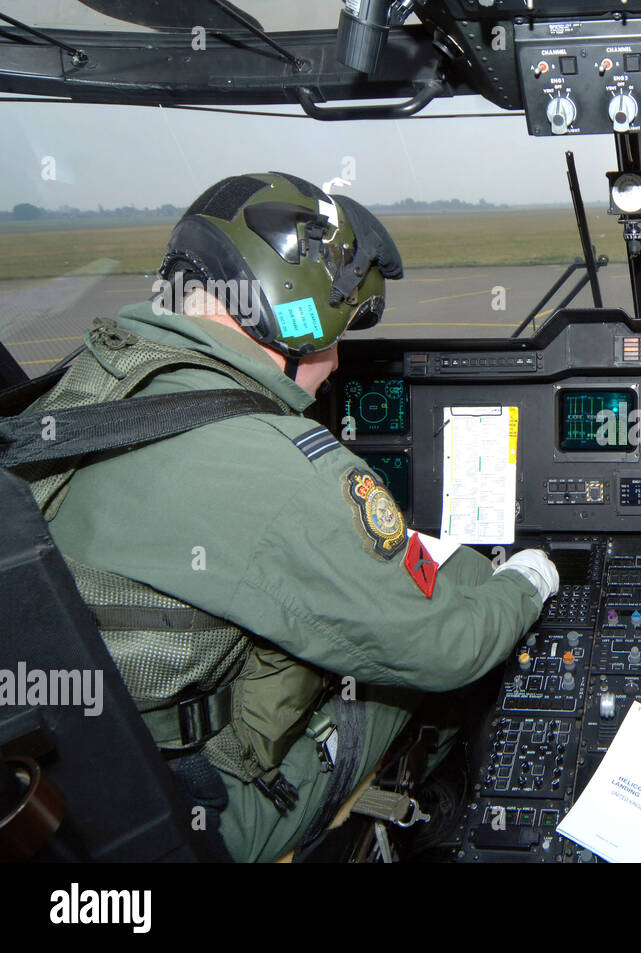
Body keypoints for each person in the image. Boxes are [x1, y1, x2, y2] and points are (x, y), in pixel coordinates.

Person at [26, 171, 557, 861]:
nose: (335, 365)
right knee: (418, 673)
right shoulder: (281, 468)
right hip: (192, 810)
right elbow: (448, 643)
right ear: (292, 312)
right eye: (333, 336)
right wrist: (527, 581)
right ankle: (432, 812)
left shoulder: (85, 382)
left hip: (64, 788)